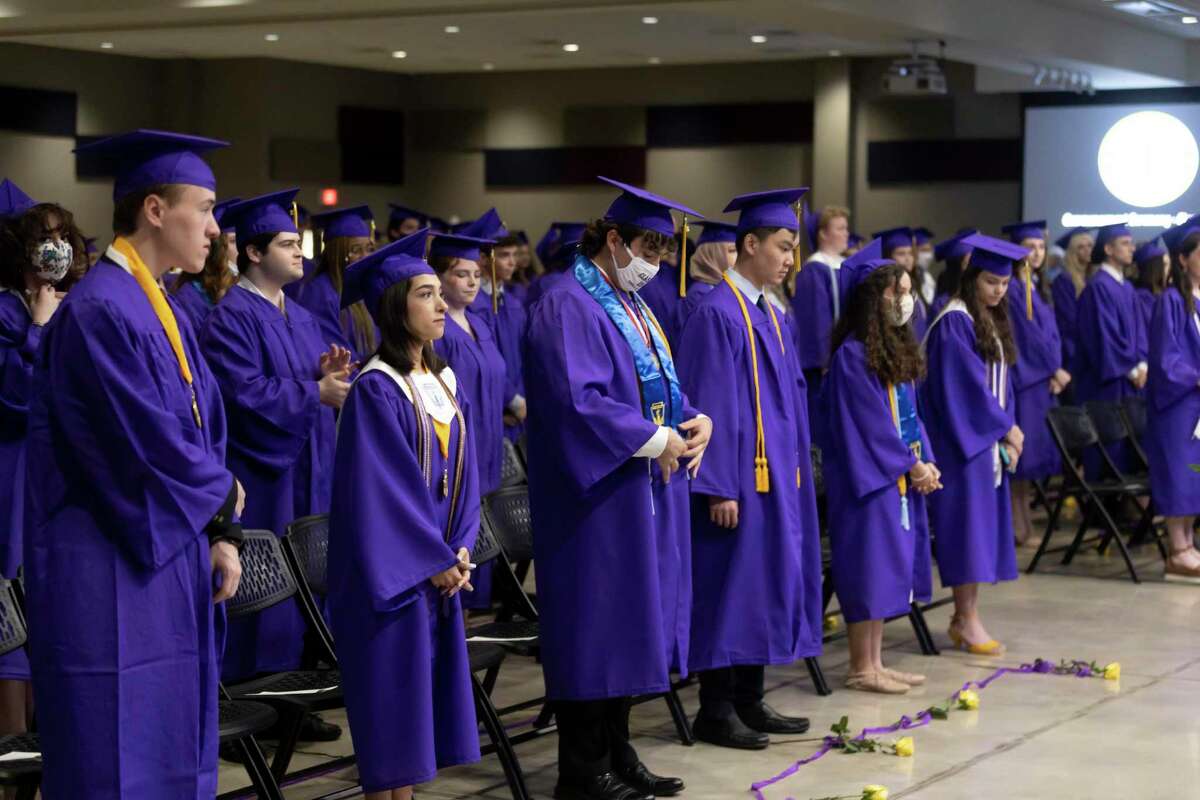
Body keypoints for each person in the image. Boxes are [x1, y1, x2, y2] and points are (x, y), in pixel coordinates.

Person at [25, 129, 244, 798]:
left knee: (168, 745)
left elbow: (202, 419)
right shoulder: (99, 312)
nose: (214, 226)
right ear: (155, 209)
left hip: (164, 553)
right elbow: (139, 441)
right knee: (111, 758)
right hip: (107, 564)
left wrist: (220, 532)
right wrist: (220, 495)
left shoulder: (161, 306)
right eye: (203, 207)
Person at [524, 176, 712, 800]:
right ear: (613, 240)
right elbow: (578, 402)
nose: (655, 265)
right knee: (595, 624)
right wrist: (656, 441)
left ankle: (618, 752)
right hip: (590, 501)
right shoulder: (565, 303)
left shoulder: (634, 307)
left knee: (632, 621)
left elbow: (661, 387)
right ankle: (582, 770)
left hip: (634, 491)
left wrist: (695, 418)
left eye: (661, 252)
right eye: (649, 250)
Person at [329, 229, 481, 800]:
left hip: (437, 576)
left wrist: (461, 548)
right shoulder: (376, 388)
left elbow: (462, 477)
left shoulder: (440, 380)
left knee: (417, 732)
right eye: (426, 294)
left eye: (440, 292)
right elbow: (380, 492)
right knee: (392, 725)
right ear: (396, 306)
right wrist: (433, 559)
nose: (442, 304)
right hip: (389, 583)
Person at [675, 187, 820, 749]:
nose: (790, 258)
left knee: (761, 582)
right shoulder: (717, 315)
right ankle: (715, 709)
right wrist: (717, 486)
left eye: (793, 247)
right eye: (784, 246)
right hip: (737, 482)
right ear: (749, 244)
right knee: (728, 587)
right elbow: (709, 404)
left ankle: (750, 700)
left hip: (775, 478)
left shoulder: (771, 314)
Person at [199, 190, 347, 730]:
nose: (300, 251)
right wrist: (315, 393)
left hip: (309, 469)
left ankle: (294, 698)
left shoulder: (302, 316)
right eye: (288, 244)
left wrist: (321, 376)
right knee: (264, 590)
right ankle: (250, 705)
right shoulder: (229, 318)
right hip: (263, 474)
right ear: (255, 253)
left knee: (308, 575)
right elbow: (242, 394)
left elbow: (296, 383)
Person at [820, 239, 939, 694]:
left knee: (888, 567)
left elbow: (910, 412)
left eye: (908, 289)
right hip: (867, 482)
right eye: (897, 291)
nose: (905, 299)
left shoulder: (891, 348)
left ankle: (875, 662)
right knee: (867, 570)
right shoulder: (852, 354)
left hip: (895, 477)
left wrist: (924, 460)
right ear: (874, 298)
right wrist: (909, 465)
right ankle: (859, 667)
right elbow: (870, 425)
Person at [0, 182, 87, 734]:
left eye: (62, 236)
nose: (55, 247)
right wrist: (36, 331)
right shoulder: (8, 310)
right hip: (13, 469)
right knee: (11, 597)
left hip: (56, 471)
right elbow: (13, 397)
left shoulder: (71, 305)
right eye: (43, 238)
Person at [920, 233, 1027, 656]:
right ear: (971, 279)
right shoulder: (954, 321)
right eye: (991, 282)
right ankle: (965, 618)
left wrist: (1009, 428)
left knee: (979, 533)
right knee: (967, 533)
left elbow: (1003, 384)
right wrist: (1005, 428)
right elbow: (961, 390)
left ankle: (966, 615)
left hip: (985, 444)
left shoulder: (989, 319)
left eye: (1004, 284)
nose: (999, 290)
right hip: (963, 447)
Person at [430, 230, 512, 610]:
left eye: (476, 273)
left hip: (490, 445)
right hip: (458, 450)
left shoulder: (480, 324)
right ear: (440, 277)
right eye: (462, 273)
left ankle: (477, 613)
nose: (473, 281)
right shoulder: (439, 332)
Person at [1000, 221, 1068, 547]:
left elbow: (1051, 335)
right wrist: (1054, 368)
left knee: (1029, 464)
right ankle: (1017, 525)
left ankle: (1024, 522)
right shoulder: (1014, 288)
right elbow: (1029, 337)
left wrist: (1055, 368)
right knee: (1020, 459)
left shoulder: (1035, 284)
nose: (1037, 252)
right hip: (1027, 381)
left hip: (1040, 380)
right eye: (1031, 246)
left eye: (1041, 246)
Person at [1147, 221, 1200, 582]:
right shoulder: (1170, 301)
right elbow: (1167, 359)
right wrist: (1196, 377)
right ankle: (1177, 549)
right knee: (1179, 474)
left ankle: (1188, 542)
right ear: (1183, 259)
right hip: (1178, 406)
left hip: (1196, 403)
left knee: (1195, 475)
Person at [1074, 223, 1143, 475]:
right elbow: (1104, 339)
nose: (1132, 248)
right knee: (1108, 452)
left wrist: (1143, 364)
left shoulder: (1126, 287)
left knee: (1130, 452)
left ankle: (1124, 511)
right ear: (1108, 248)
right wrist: (1133, 370)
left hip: (1128, 382)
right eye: (1125, 243)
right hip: (1107, 385)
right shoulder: (1098, 287)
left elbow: (1141, 335)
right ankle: (1103, 513)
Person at [464, 209, 528, 439]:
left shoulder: (513, 303)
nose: (513, 263)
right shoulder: (471, 306)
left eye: (514, 254)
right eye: (504, 255)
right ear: (483, 259)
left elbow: (523, 355)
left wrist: (521, 399)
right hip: (489, 410)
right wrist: (510, 399)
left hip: (519, 411)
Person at [290, 204, 377, 361]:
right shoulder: (319, 293)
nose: (366, 256)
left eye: (369, 249)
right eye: (356, 250)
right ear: (337, 252)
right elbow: (332, 351)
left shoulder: (367, 290)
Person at [792, 204, 850, 418]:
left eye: (846, 228)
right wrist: (825, 361)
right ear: (823, 233)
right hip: (826, 369)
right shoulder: (814, 270)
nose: (846, 233)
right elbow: (816, 322)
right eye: (840, 228)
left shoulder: (845, 265)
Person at [171, 196, 240, 331]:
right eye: (233, 241)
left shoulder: (243, 286)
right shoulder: (190, 296)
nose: (241, 247)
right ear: (216, 248)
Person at [669, 220, 737, 347]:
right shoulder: (699, 296)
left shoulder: (723, 290)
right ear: (711, 254)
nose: (738, 258)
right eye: (732, 251)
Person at [1050, 227, 1094, 396]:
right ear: (1073, 250)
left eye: (1090, 245)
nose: (1088, 250)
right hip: (1073, 356)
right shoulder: (1064, 281)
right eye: (1082, 246)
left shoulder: (1090, 278)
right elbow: (1068, 322)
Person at [875, 227, 928, 339]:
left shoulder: (916, 287)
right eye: (901, 253)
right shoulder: (885, 294)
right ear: (888, 257)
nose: (908, 258)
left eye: (910, 253)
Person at [1133, 237, 1168, 367]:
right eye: (1164, 265)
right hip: (1152, 363)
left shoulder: (1165, 295)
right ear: (1155, 268)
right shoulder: (1142, 298)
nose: (1168, 269)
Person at [930, 229, 976, 318]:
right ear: (957, 267)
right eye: (969, 262)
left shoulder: (974, 298)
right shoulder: (945, 306)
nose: (974, 267)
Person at [913, 226, 937, 306]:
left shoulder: (927, 276)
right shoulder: (908, 278)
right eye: (923, 250)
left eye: (929, 250)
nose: (928, 255)